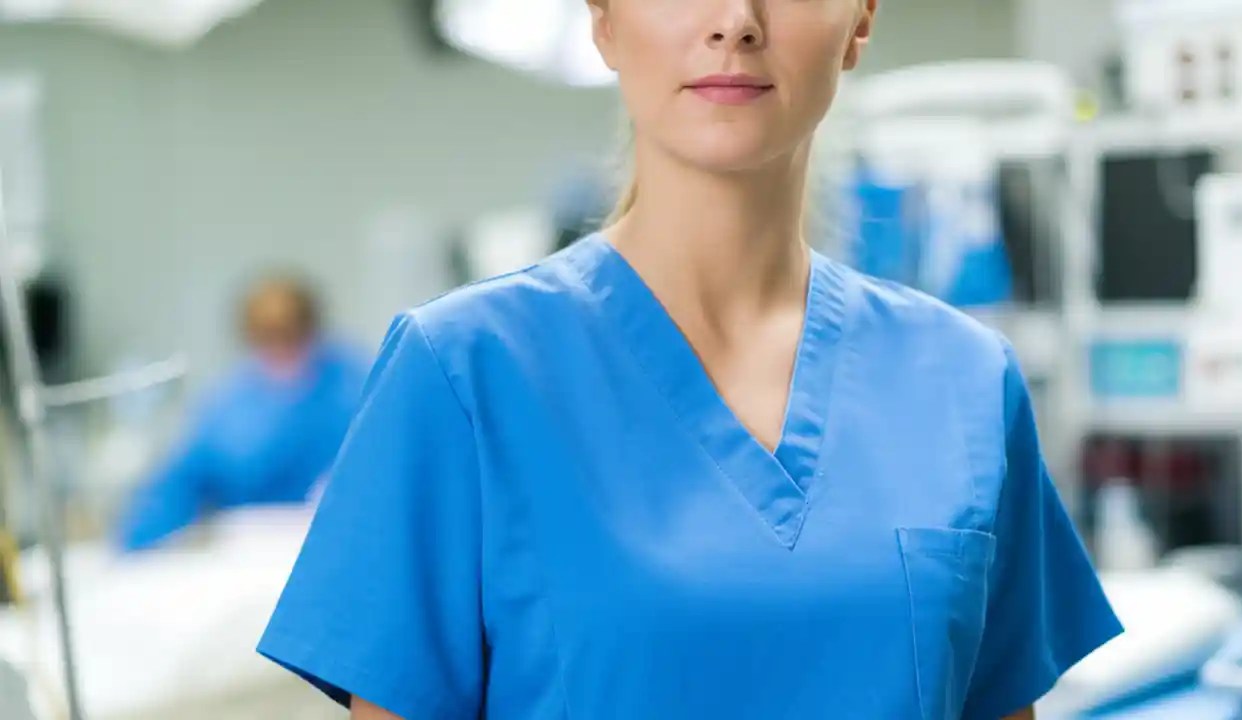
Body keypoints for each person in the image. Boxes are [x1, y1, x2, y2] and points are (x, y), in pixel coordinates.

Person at [259, 1, 1123, 718]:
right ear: (602, 17)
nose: (735, 21)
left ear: (861, 18)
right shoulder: (461, 375)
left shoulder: (963, 382)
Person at [115, 275, 366, 552]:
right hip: (251, 558)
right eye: (267, 337)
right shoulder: (230, 405)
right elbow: (179, 483)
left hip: (336, 550)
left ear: (311, 328)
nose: (280, 348)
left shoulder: (355, 388)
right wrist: (135, 545)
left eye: (290, 335)